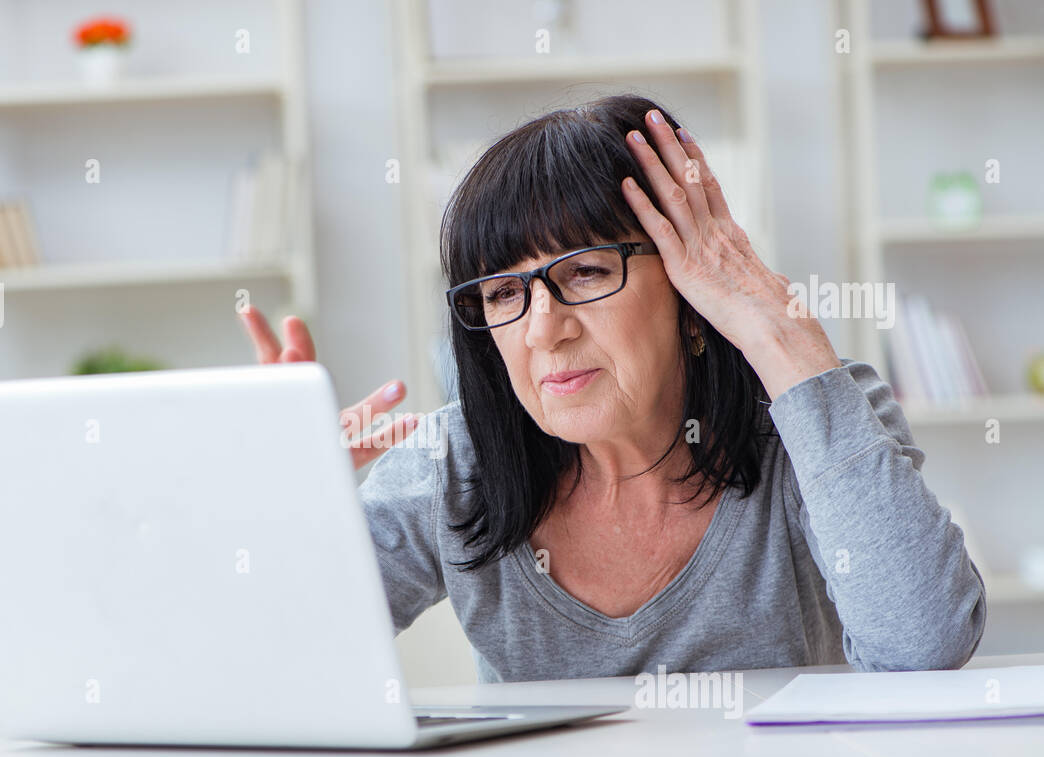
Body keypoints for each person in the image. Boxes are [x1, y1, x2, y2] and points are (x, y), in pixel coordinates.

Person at [237, 93, 985, 682]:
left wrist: (781, 335)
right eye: (503, 293)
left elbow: (924, 643)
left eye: (587, 272)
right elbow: (271, 653)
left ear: (692, 287)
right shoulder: (453, 464)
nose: (542, 330)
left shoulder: (816, 413)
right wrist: (284, 498)